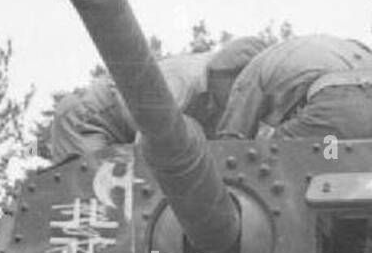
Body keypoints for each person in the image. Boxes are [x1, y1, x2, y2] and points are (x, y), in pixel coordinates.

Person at [48, 35, 267, 162]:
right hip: (92, 117)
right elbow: (147, 146)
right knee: (95, 199)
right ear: (225, 76)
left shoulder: (224, 94)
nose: (240, 99)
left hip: (125, 126)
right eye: (238, 88)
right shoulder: (181, 82)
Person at [214, 34, 372, 141]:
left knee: (272, 155)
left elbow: (232, 144)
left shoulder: (253, 70)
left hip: (334, 125)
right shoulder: (333, 45)